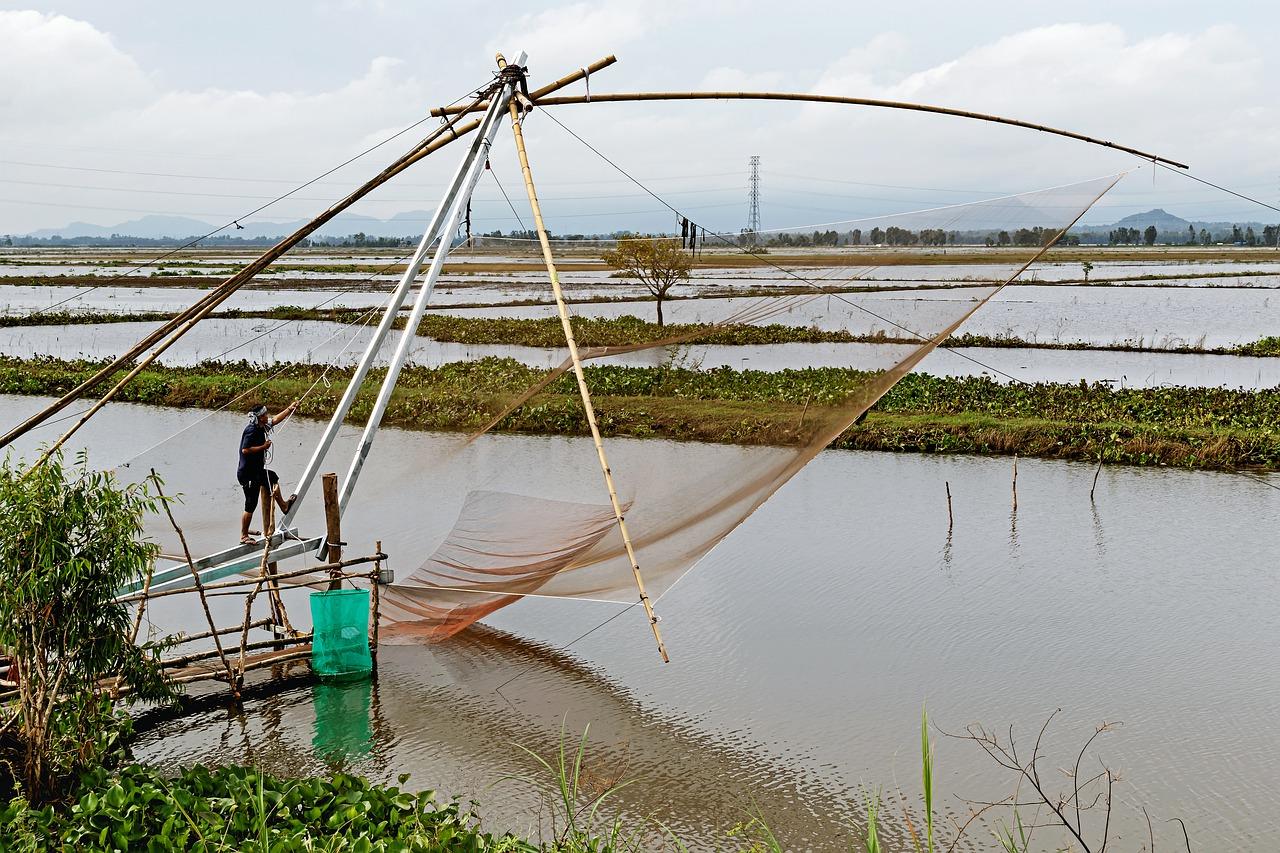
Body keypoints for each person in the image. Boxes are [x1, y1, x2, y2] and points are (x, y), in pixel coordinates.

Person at [237, 400, 300, 544]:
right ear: (259, 417)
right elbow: (245, 450)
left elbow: (275, 420)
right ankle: (244, 535)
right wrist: (263, 447)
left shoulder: (262, 426)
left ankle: (284, 506)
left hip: (257, 471)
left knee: (272, 477)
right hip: (248, 474)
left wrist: (289, 409)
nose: (267, 416)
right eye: (265, 415)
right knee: (250, 504)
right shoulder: (251, 430)